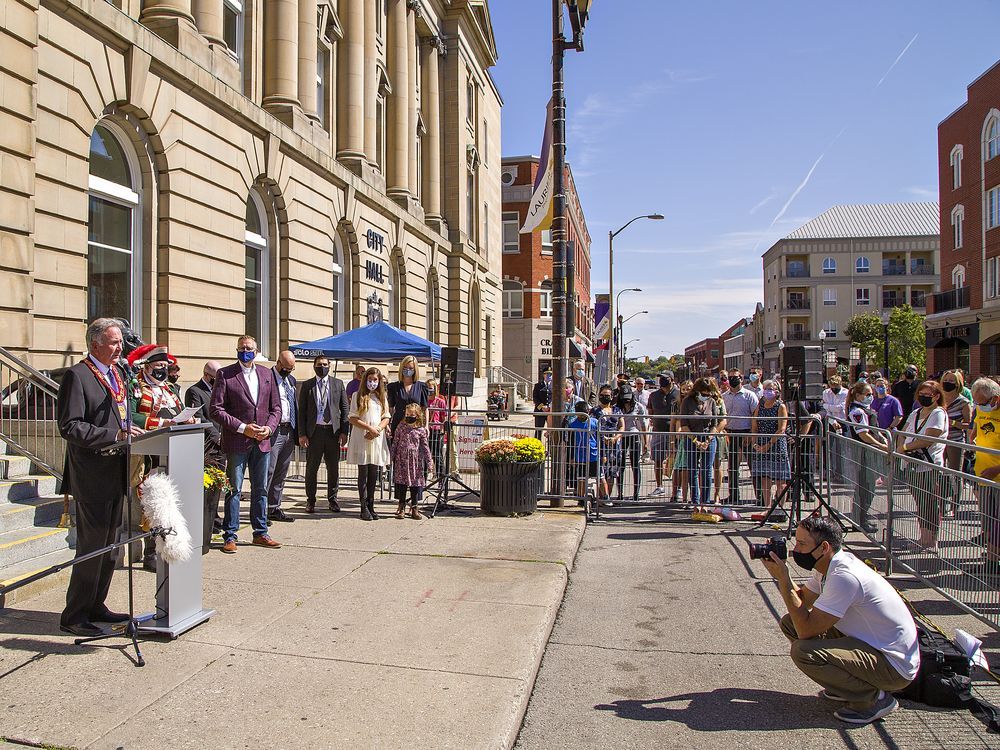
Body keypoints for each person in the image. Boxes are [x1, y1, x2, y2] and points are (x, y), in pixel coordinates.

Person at [762, 516, 918, 725]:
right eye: (795, 542)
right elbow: (802, 601)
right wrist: (782, 574)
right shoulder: (828, 565)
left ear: (823, 547)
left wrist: (782, 579)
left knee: (804, 652)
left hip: (893, 667)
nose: (795, 550)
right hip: (871, 646)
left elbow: (806, 630)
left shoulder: (844, 576)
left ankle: (873, 699)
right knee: (790, 623)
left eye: (801, 544)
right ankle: (845, 685)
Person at [57, 318, 143, 635]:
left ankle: (96, 605)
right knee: (92, 548)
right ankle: (74, 615)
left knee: (111, 547)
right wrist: (114, 435)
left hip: (115, 471)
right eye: (113, 342)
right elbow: (70, 426)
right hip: (91, 475)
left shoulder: (117, 373)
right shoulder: (76, 376)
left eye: (120, 341)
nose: (120, 347)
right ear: (95, 344)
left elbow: (122, 415)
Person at [209, 335, 282, 553]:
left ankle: (260, 532)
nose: (245, 351)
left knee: (261, 489)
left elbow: (276, 408)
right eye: (241, 348)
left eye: (249, 348)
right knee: (235, 489)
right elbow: (216, 409)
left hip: (262, 441)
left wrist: (268, 428)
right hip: (237, 441)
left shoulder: (266, 373)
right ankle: (230, 535)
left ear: (257, 351)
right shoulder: (225, 374)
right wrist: (243, 427)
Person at [128, 344, 194, 569]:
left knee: (169, 501)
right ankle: (150, 553)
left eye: (165, 367)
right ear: (147, 367)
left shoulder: (171, 389)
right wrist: (161, 423)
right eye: (158, 367)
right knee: (153, 501)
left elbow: (179, 411)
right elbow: (132, 416)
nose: (162, 371)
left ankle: (173, 544)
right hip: (149, 453)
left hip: (175, 450)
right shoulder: (136, 387)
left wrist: (188, 420)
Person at [896, 380, 947, 551]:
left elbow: (929, 438)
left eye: (928, 395)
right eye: (921, 395)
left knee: (930, 503)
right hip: (912, 464)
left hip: (928, 465)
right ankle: (923, 538)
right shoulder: (916, 413)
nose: (924, 398)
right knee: (920, 502)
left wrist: (905, 447)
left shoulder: (938, 413)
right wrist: (901, 448)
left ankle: (931, 540)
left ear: (937, 396)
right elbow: (904, 432)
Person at [298, 355, 349, 514]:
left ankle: (333, 499)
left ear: (330, 366)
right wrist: (302, 434)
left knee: (333, 468)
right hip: (315, 432)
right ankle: (310, 501)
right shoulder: (307, 385)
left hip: (332, 432)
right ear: (314, 366)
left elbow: (345, 409)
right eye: (319, 364)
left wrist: (344, 431)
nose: (323, 367)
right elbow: (302, 412)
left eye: (325, 364)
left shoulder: (338, 384)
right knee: (311, 468)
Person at [186, 360, 226, 533]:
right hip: (208, 445)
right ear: (206, 375)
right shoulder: (194, 391)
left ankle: (214, 516)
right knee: (206, 484)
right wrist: (216, 437)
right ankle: (205, 518)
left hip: (222, 444)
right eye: (214, 378)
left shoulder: (219, 391)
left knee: (218, 482)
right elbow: (199, 417)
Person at [347, 367, 391, 521]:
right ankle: (363, 506)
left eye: (375, 380)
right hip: (362, 436)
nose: (372, 383)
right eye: (370, 379)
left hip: (376, 437)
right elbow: (353, 417)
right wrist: (369, 428)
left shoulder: (382, 397)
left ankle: (371, 504)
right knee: (363, 472)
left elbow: (386, 417)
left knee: (374, 473)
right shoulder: (357, 395)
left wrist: (377, 429)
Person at [845, 381, 888, 534]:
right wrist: (880, 445)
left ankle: (861, 518)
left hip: (869, 452)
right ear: (858, 395)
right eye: (867, 394)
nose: (871, 397)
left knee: (868, 487)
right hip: (863, 453)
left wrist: (883, 438)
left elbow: (873, 430)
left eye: (872, 394)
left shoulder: (866, 410)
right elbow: (863, 434)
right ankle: (860, 520)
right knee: (866, 487)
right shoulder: (857, 411)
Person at [679, 377, 725, 512]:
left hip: (708, 439)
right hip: (692, 438)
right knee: (693, 470)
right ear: (697, 391)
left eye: (708, 393)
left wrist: (708, 440)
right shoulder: (687, 402)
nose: (707, 396)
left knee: (707, 470)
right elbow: (684, 425)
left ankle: (706, 502)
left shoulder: (711, 402)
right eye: (704, 394)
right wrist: (696, 441)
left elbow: (714, 424)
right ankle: (696, 502)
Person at [263, 351, 298, 523]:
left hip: (289, 430)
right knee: (268, 471)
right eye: (285, 368)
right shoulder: (267, 378)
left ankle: (274, 507)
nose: (288, 371)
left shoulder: (291, 380)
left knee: (281, 471)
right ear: (278, 363)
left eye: (291, 369)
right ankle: (261, 510)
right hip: (274, 431)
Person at [970, 377, 1000, 570]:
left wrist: (996, 469)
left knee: (998, 523)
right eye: (977, 402)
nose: (980, 406)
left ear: (995, 398)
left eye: (982, 402)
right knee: (989, 521)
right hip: (983, 475)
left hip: (996, 476)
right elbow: (975, 432)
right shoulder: (980, 410)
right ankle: (990, 560)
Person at [751, 380, 790, 510]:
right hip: (761, 442)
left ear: (777, 391)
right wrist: (755, 443)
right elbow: (754, 425)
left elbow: (781, 428)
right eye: (766, 388)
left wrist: (768, 445)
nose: (767, 391)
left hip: (776, 444)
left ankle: (780, 508)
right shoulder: (760, 405)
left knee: (780, 479)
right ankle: (767, 506)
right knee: (764, 477)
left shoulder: (781, 406)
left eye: (771, 389)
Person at [722, 369, 759, 505]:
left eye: (735, 377)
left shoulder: (750, 395)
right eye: (730, 377)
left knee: (753, 466)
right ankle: (733, 495)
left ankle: (760, 496)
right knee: (732, 467)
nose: (732, 379)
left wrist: (751, 434)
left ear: (741, 379)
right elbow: (722, 416)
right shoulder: (724, 396)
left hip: (746, 433)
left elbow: (755, 415)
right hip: (730, 433)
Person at [390, 403, 432, 519]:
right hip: (401, 459)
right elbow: (395, 443)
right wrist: (391, 457)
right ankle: (401, 506)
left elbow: (425, 446)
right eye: (407, 414)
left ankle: (414, 507)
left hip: (415, 461)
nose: (409, 416)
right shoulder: (401, 427)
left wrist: (429, 461)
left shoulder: (420, 430)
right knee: (402, 483)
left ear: (417, 415)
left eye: (412, 415)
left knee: (415, 484)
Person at [940, 370, 972, 518]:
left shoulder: (963, 402)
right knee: (940, 471)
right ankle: (941, 503)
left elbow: (969, 424)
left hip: (955, 440)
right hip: (939, 440)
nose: (948, 383)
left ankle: (955, 505)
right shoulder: (939, 399)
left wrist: (954, 423)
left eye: (952, 380)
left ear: (958, 383)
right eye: (946, 379)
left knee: (954, 473)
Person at [646, 374, 679, 498]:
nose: (663, 381)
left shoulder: (678, 394)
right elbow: (650, 410)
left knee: (676, 461)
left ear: (672, 379)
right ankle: (659, 486)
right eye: (661, 378)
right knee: (658, 460)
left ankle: (678, 488)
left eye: (666, 378)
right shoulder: (654, 395)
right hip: (658, 431)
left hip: (675, 433)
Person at [591, 385, 624, 506]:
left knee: (612, 472)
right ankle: (602, 497)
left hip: (615, 445)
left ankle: (608, 497)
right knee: (601, 470)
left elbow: (621, 426)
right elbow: (593, 426)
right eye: (603, 395)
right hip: (601, 444)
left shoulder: (617, 410)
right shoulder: (595, 411)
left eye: (607, 395)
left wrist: (616, 437)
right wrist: (603, 438)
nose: (605, 397)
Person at [615, 387, 648, 503]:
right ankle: (620, 493)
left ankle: (636, 493)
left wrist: (645, 442)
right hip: (621, 437)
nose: (626, 401)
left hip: (634, 435)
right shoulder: (617, 407)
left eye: (628, 399)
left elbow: (643, 424)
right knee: (621, 465)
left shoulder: (638, 406)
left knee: (635, 465)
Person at [387, 355, 429, 437]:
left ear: (415, 370)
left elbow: (425, 408)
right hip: (398, 425)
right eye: (405, 368)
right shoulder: (394, 387)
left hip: (415, 426)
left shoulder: (421, 387)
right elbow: (391, 408)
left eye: (410, 368)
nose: (407, 370)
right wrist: (387, 424)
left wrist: (426, 425)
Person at [569, 400, 601, 505]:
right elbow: (571, 442)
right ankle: (581, 499)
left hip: (594, 454)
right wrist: (572, 457)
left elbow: (600, 438)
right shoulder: (573, 425)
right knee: (581, 478)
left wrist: (603, 454)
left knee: (599, 477)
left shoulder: (595, 422)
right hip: (580, 456)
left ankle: (603, 497)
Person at [671, 380, 694, 504]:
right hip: (681, 439)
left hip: (692, 438)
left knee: (688, 470)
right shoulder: (677, 404)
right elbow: (674, 422)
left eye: (689, 388)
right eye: (684, 389)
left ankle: (690, 497)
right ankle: (676, 493)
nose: (686, 391)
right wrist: (672, 440)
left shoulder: (696, 402)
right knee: (678, 467)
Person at [706, 378, 728, 504]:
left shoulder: (719, 400)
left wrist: (714, 432)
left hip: (717, 435)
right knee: (704, 467)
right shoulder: (699, 399)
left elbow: (724, 419)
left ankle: (717, 494)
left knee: (717, 465)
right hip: (703, 436)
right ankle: (704, 494)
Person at [426, 378, 447, 478]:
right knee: (424, 454)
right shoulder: (424, 400)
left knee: (437, 454)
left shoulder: (440, 401)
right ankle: (423, 478)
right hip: (425, 429)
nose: (430, 390)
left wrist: (442, 429)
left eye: (431, 388)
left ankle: (440, 478)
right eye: (428, 388)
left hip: (436, 430)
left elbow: (444, 417)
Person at [532, 369, 553, 440]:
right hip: (540, 411)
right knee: (538, 431)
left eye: (550, 374)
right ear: (543, 375)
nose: (549, 376)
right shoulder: (538, 385)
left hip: (550, 411)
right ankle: (537, 447)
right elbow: (535, 398)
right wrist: (542, 406)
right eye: (547, 374)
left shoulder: (554, 386)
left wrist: (550, 406)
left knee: (551, 431)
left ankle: (551, 447)